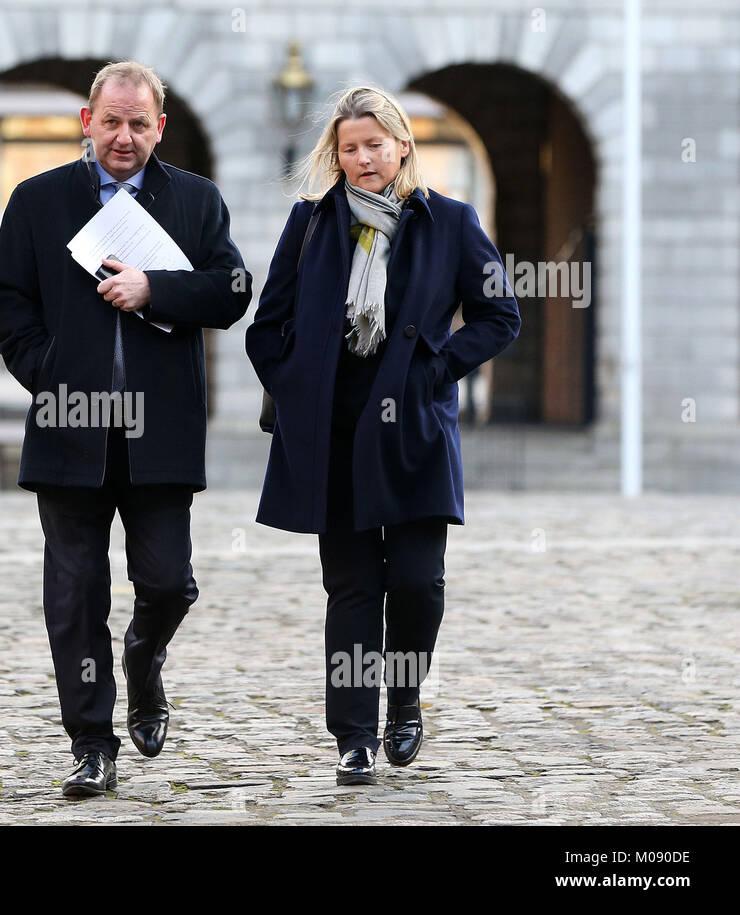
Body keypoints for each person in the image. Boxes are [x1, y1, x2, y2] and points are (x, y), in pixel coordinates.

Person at [0, 60, 252, 799]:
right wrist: (51, 371)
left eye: (140, 124)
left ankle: (145, 658)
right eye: (113, 122)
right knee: (74, 595)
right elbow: (7, 302)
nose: (125, 136)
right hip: (70, 430)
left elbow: (233, 291)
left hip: (160, 436)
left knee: (166, 582)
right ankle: (92, 743)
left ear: (159, 127)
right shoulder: (39, 200)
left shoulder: (195, 201)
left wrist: (154, 287)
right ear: (87, 121)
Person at [245, 86, 520, 786]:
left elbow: (499, 316)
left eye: (375, 144)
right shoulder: (311, 223)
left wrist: (435, 369)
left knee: (419, 582)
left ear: (402, 145)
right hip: (333, 435)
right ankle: (355, 734)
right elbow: (266, 325)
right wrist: (299, 381)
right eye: (350, 148)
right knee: (354, 586)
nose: (364, 158)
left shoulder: (450, 222)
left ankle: (405, 700)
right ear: (335, 157)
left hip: (415, 432)